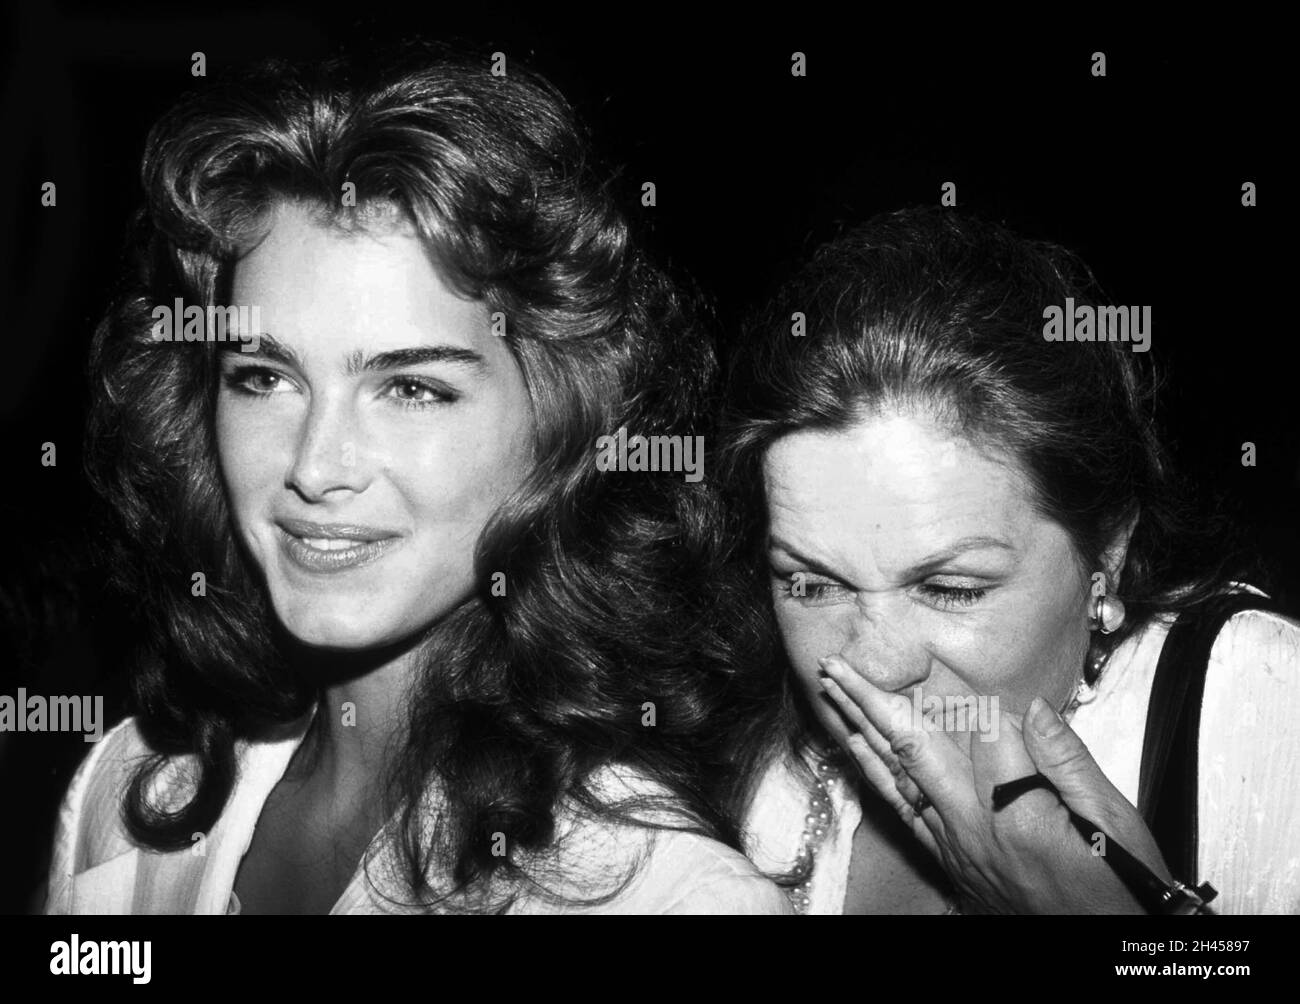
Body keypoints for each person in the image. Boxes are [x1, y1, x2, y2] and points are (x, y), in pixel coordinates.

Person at [46, 43, 789, 915]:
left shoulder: (664, 895)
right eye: (265, 378)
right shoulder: (129, 788)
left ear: (564, 425)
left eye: (410, 388)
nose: (315, 467)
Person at [721, 207, 1300, 914]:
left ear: (1108, 551)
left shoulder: (1258, 700)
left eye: (950, 588)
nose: (872, 665)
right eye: (810, 583)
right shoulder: (743, 762)